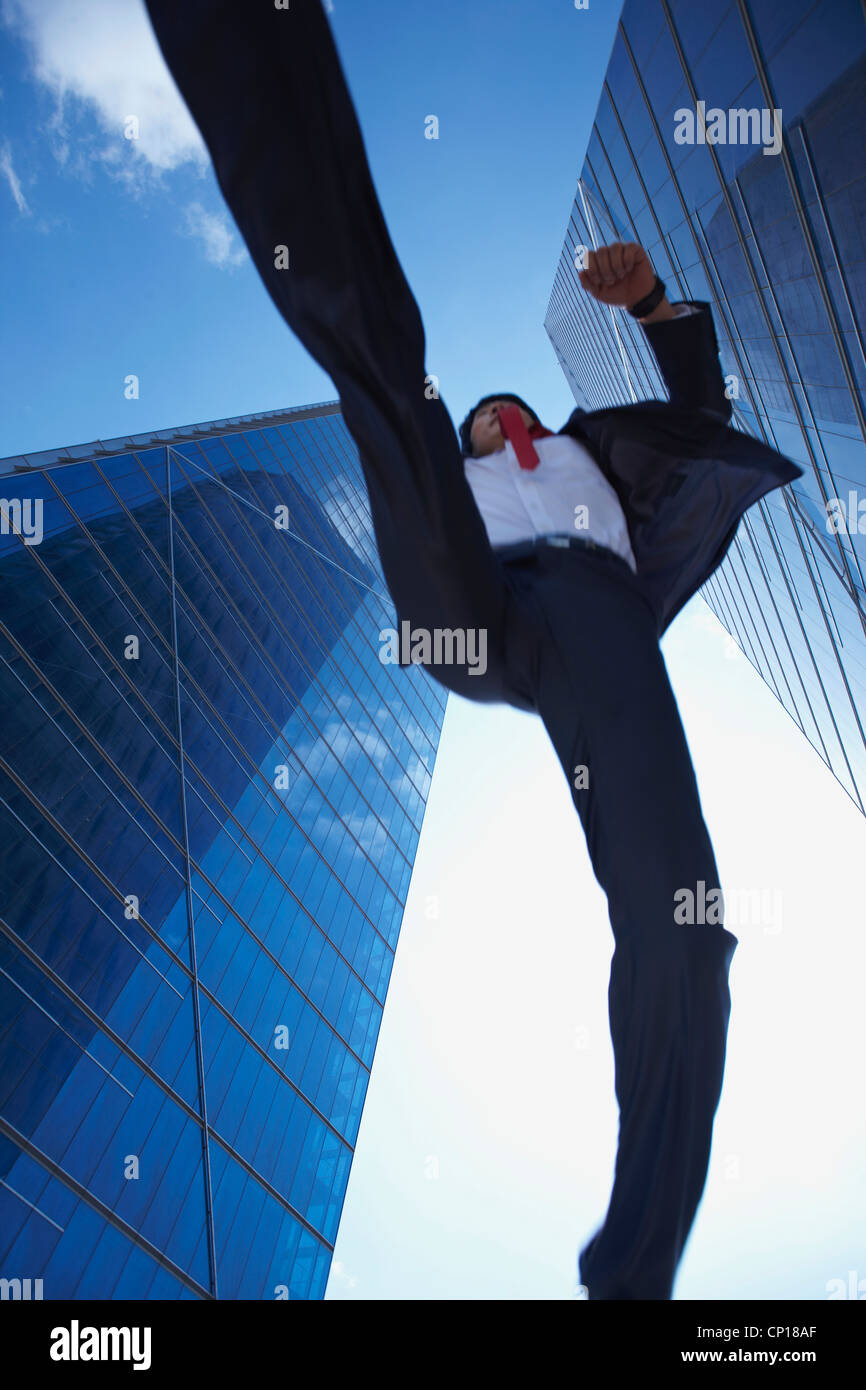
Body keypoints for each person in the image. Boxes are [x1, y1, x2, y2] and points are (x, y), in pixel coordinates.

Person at [143, 0, 803, 1299]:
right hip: (468, 609)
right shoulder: (459, 462)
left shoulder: (592, 454)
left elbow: (702, 409)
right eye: (489, 411)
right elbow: (437, 430)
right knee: (389, 372)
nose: (503, 414)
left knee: (682, 924)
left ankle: (632, 1272)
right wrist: (441, 440)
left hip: (594, 624)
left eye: (514, 404)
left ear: (541, 418)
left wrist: (658, 302)